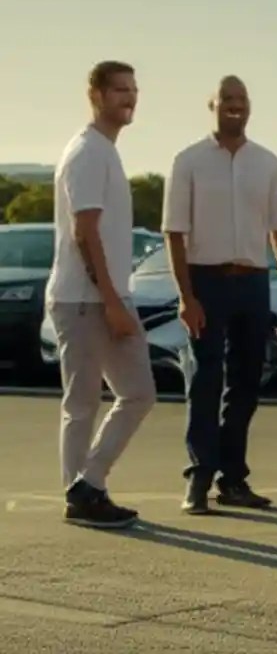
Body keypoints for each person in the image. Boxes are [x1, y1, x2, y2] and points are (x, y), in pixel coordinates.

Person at [162, 75, 277, 515]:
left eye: (241, 98)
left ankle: (233, 479)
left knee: (246, 383)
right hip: (206, 280)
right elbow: (174, 233)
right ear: (213, 105)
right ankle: (199, 477)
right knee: (205, 379)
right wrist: (186, 297)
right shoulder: (188, 161)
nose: (234, 105)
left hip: (253, 281)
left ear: (249, 106)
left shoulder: (267, 163)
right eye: (226, 98)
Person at [47, 60, 157, 528]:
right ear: (95, 95)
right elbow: (84, 232)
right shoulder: (88, 152)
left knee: (136, 393)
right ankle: (83, 495)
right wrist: (112, 301)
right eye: (119, 90)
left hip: (102, 296)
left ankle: (86, 486)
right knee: (86, 403)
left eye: (133, 89)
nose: (129, 98)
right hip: (84, 299)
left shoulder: (105, 151)